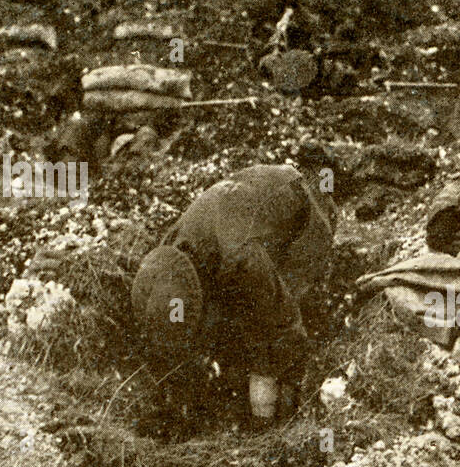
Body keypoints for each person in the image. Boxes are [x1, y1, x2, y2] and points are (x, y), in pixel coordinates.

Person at [130, 164, 335, 422]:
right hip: (247, 203)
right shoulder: (170, 255)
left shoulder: (242, 258)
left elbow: (283, 319)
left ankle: (294, 406)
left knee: (291, 306)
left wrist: (265, 372)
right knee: (238, 314)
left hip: (303, 209)